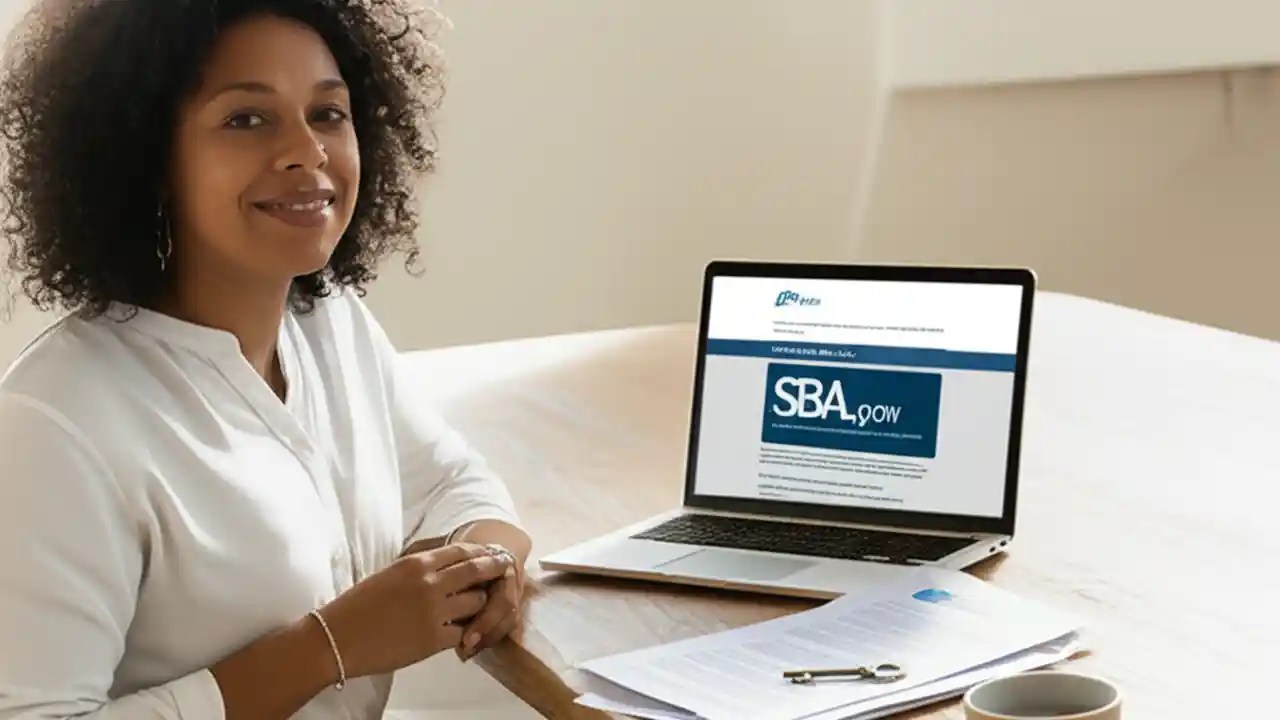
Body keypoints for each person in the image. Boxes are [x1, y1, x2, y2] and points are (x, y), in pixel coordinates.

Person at [0, 1, 533, 718]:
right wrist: (328, 646)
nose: (306, 151)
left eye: (328, 114)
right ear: (150, 160)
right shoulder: (53, 425)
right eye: (246, 119)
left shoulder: (331, 323)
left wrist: (492, 554)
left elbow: (451, 481)